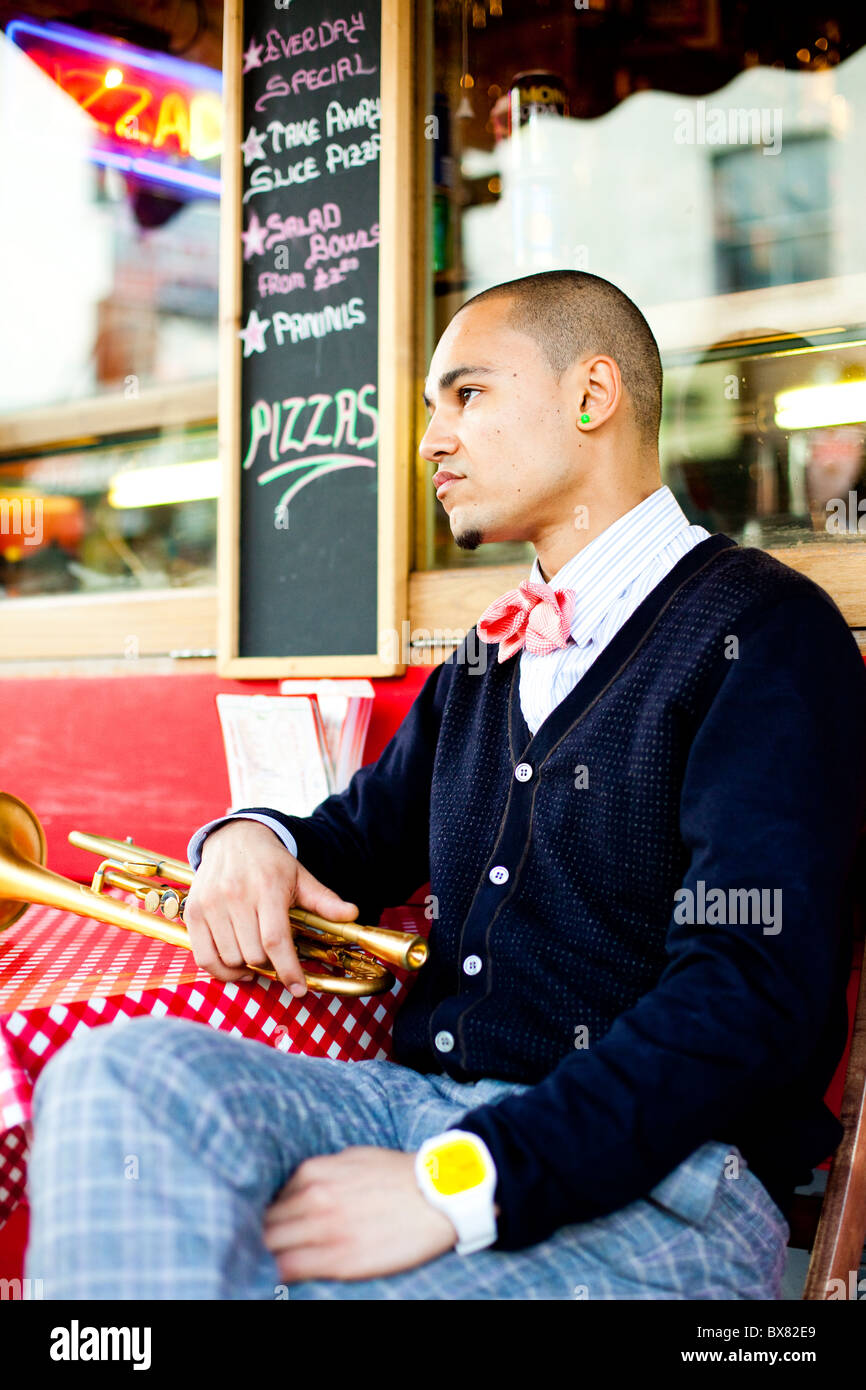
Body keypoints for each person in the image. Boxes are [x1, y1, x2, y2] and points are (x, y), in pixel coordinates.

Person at [25, 270, 866, 1300]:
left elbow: (745, 996)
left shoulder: (767, 636)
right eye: (429, 408)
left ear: (591, 396)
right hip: (413, 1105)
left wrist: (455, 1185)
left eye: (464, 395)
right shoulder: (485, 657)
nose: (427, 439)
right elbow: (352, 836)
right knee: (107, 1075)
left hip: (670, 1188)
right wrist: (252, 839)